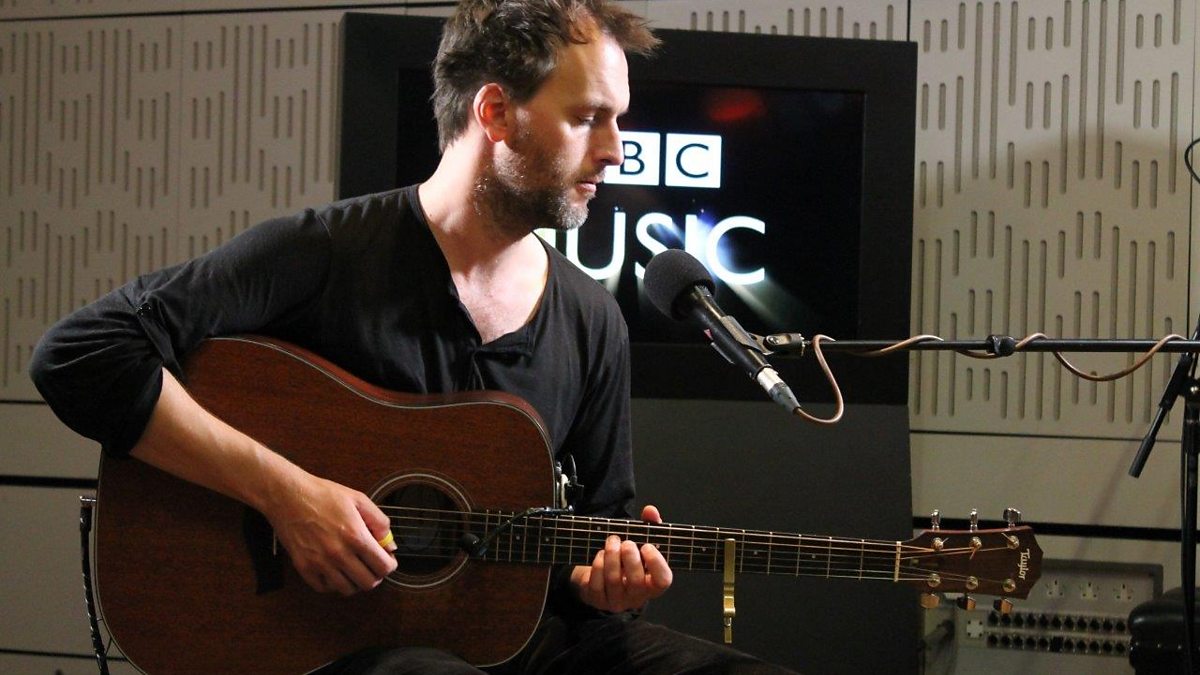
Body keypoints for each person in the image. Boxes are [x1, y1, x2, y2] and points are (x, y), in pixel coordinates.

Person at [31, 1, 795, 673]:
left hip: (524, 647)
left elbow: (600, 533)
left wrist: (611, 580)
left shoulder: (591, 319)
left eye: (619, 119)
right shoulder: (323, 253)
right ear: (494, 113)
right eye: (588, 116)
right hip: (335, 645)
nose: (616, 148)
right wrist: (287, 494)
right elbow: (80, 354)